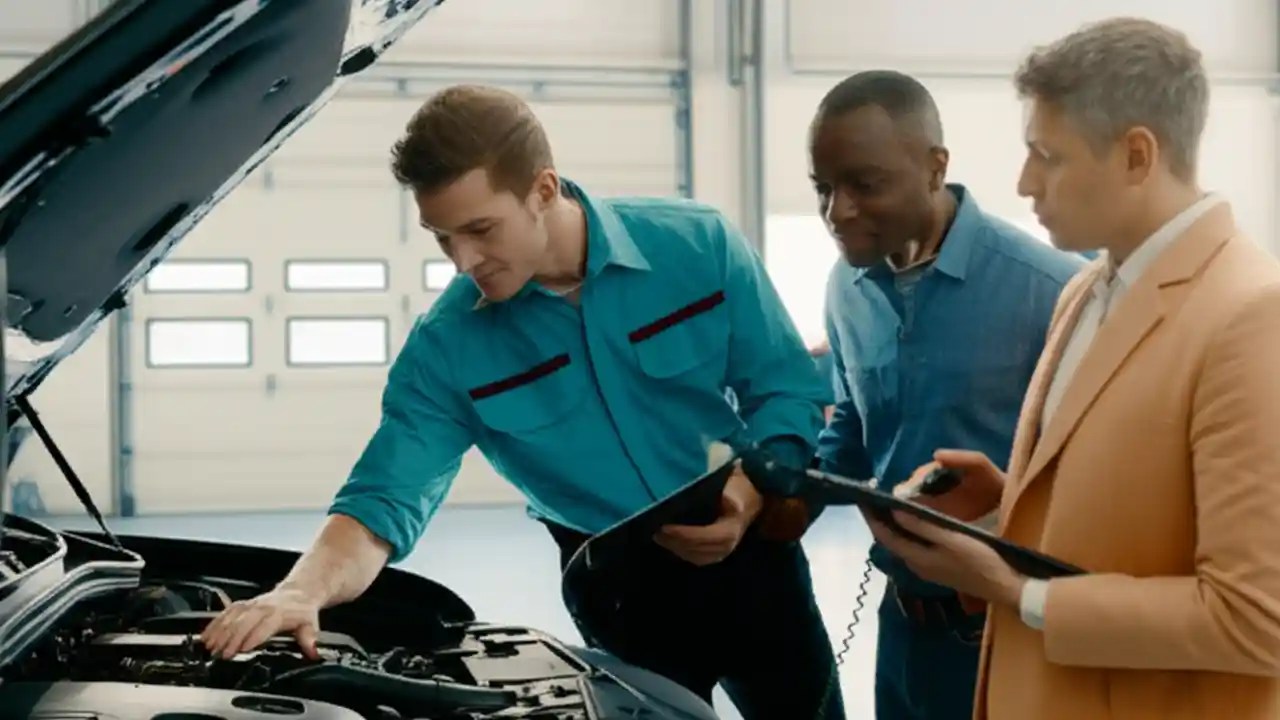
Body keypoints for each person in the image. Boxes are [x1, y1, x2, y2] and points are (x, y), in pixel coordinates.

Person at [198, 84, 845, 719]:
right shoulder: (447, 348)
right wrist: (300, 591)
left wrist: (752, 491)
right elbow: (381, 500)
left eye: (480, 229)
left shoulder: (698, 246)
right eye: (442, 237)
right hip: (622, 594)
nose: (463, 260)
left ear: (543, 189)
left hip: (752, 551)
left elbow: (787, 388)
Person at [868, 17, 1280, 720]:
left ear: (1137, 156)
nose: (1024, 182)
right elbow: (1135, 527)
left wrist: (1016, 591)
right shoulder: (1087, 291)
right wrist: (1004, 512)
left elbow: (1255, 617)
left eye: (1047, 156)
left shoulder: (1250, 315)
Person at [806, 70, 1084, 719]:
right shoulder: (847, 288)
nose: (837, 212)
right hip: (903, 624)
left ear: (936, 168)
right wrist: (782, 493)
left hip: (1006, 631)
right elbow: (855, 427)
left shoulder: (1053, 292)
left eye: (864, 185)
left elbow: (1098, 480)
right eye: (823, 188)